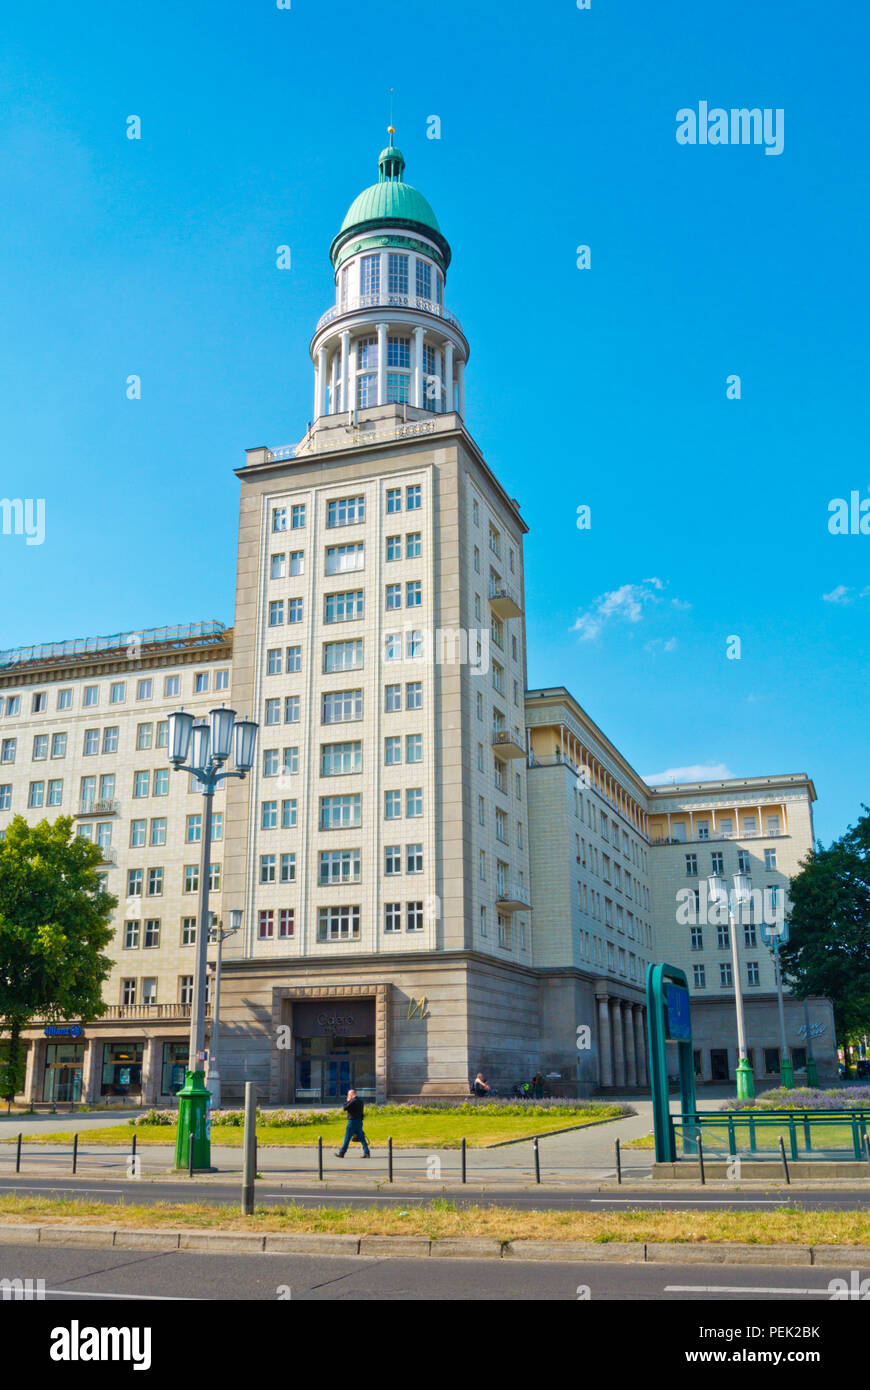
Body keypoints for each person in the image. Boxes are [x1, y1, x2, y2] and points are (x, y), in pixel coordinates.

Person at [334, 1088, 371, 1158]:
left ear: (351, 1095)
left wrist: (348, 1101)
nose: (348, 1096)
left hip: (352, 1122)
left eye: (348, 1095)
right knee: (362, 1138)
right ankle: (367, 1152)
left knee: (347, 1138)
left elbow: (344, 1108)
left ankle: (342, 1153)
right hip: (359, 1121)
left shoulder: (352, 1101)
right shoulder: (360, 1101)